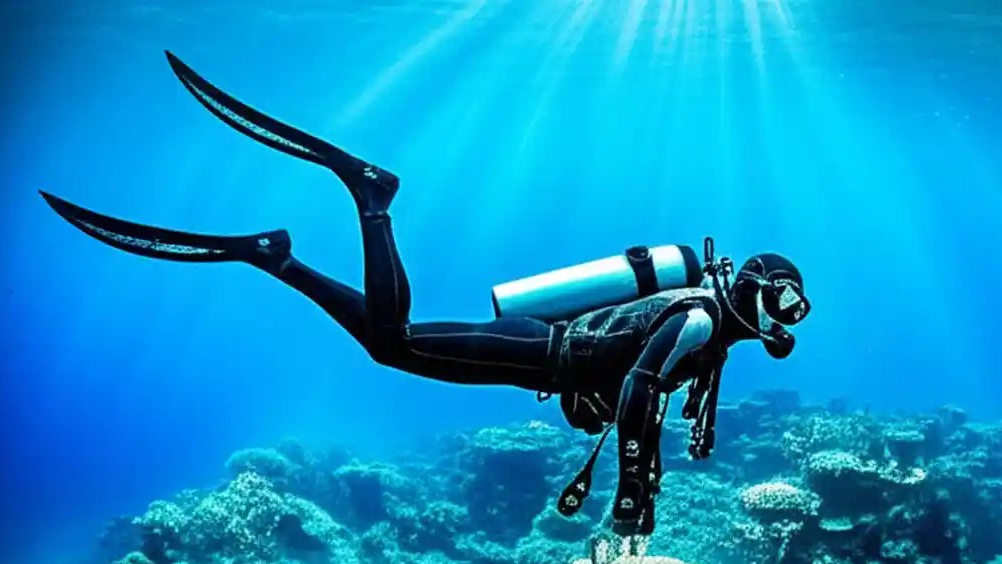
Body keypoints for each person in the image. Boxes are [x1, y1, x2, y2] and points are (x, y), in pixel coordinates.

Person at [39, 51, 812, 538]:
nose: (784, 324)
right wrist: (637, 488)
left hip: (549, 364)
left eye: (792, 313)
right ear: (752, 291)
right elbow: (641, 383)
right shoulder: (702, 315)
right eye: (783, 304)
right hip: (543, 352)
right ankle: (371, 195)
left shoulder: (711, 334)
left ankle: (276, 259)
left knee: (389, 346)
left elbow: (635, 386)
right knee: (398, 339)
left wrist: (630, 452)